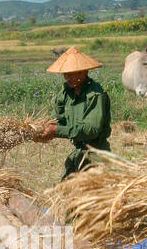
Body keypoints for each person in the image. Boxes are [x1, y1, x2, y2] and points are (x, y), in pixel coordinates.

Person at [41, 47, 111, 179]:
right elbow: (57, 119)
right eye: (66, 73)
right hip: (78, 154)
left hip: (96, 155)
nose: (68, 77)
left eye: (73, 73)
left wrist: (56, 131)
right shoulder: (66, 93)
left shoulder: (95, 95)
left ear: (84, 72)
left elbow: (92, 129)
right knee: (64, 193)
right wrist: (40, 128)